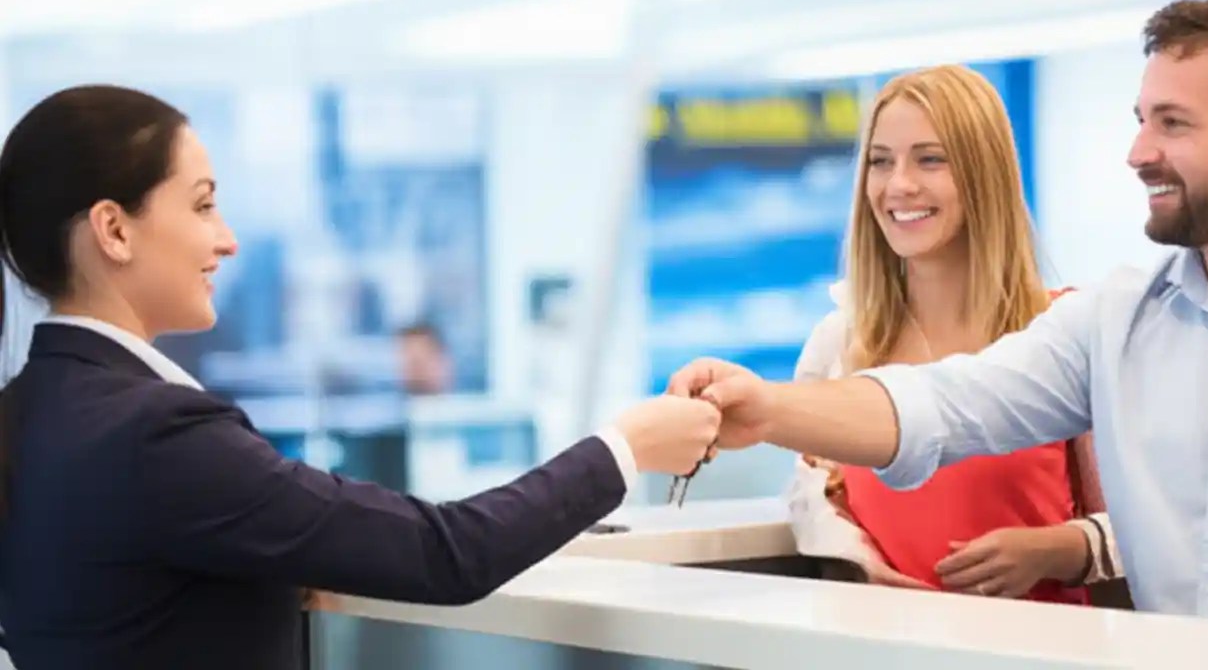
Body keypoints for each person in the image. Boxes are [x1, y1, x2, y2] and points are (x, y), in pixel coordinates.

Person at [0, 85, 721, 670]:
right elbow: (448, 553)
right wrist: (628, 446)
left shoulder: (28, 411)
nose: (227, 237)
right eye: (202, 204)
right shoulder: (156, 434)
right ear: (114, 230)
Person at [669, 0, 1208, 623]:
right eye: (1141, 120)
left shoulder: (1073, 315)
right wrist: (765, 407)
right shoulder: (1115, 324)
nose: (1136, 152)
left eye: (1173, 123)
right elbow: (948, 404)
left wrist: (1065, 549)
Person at [785, 65, 1120, 603]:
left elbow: (1161, 531)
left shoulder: (1065, 333)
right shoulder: (840, 343)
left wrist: (1057, 548)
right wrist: (859, 564)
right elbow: (811, 496)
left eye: (930, 159)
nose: (899, 185)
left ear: (983, 174)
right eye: (880, 162)